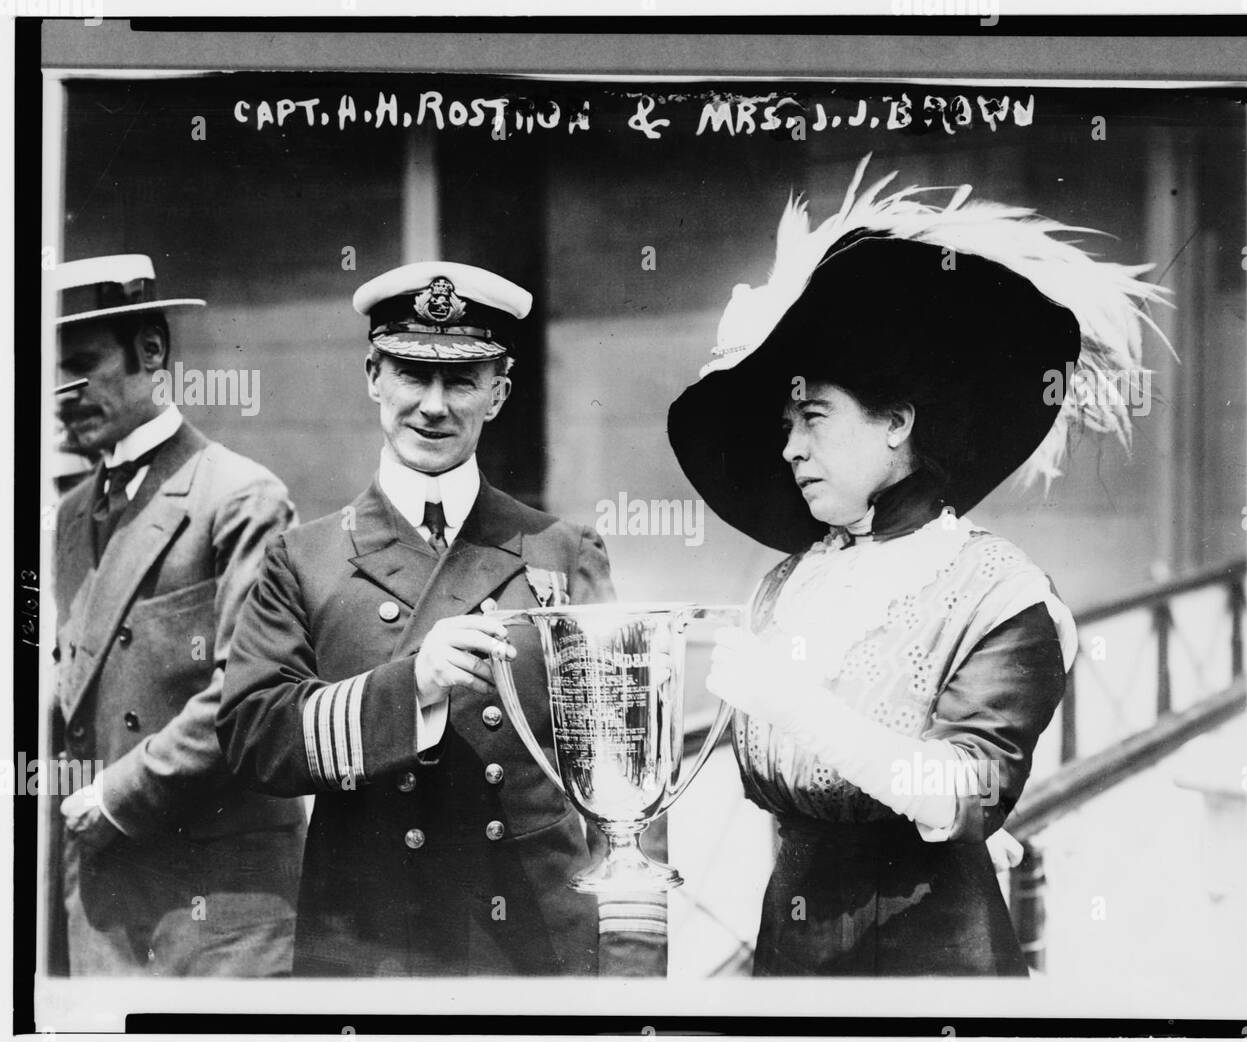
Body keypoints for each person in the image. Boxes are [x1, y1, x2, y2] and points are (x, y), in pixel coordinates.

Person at [668, 158, 1170, 976]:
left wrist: (793, 700)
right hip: (789, 967)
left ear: (896, 420)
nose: (789, 445)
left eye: (814, 416)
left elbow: (962, 787)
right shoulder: (792, 585)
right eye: (785, 421)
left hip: (931, 967)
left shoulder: (1001, 595)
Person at [217, 261, 631, 977]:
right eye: (411, 373)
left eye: (462, 379)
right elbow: (253, 735)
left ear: (499, 392)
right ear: (372, 374)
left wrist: (632, 956)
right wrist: (413, 689)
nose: (433, 405)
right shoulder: (304, 558)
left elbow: (623, 765)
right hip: (373, 945)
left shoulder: (562, 550)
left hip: (534, 948)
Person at [52, 254, 305, 976]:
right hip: (103, 910)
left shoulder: (240, 497)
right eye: (45, 374)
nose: (61, 395)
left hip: (221, 911)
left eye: (78, 367)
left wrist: (115, 793)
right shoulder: (71, 517)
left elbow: (245, 699)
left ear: (153, 352)